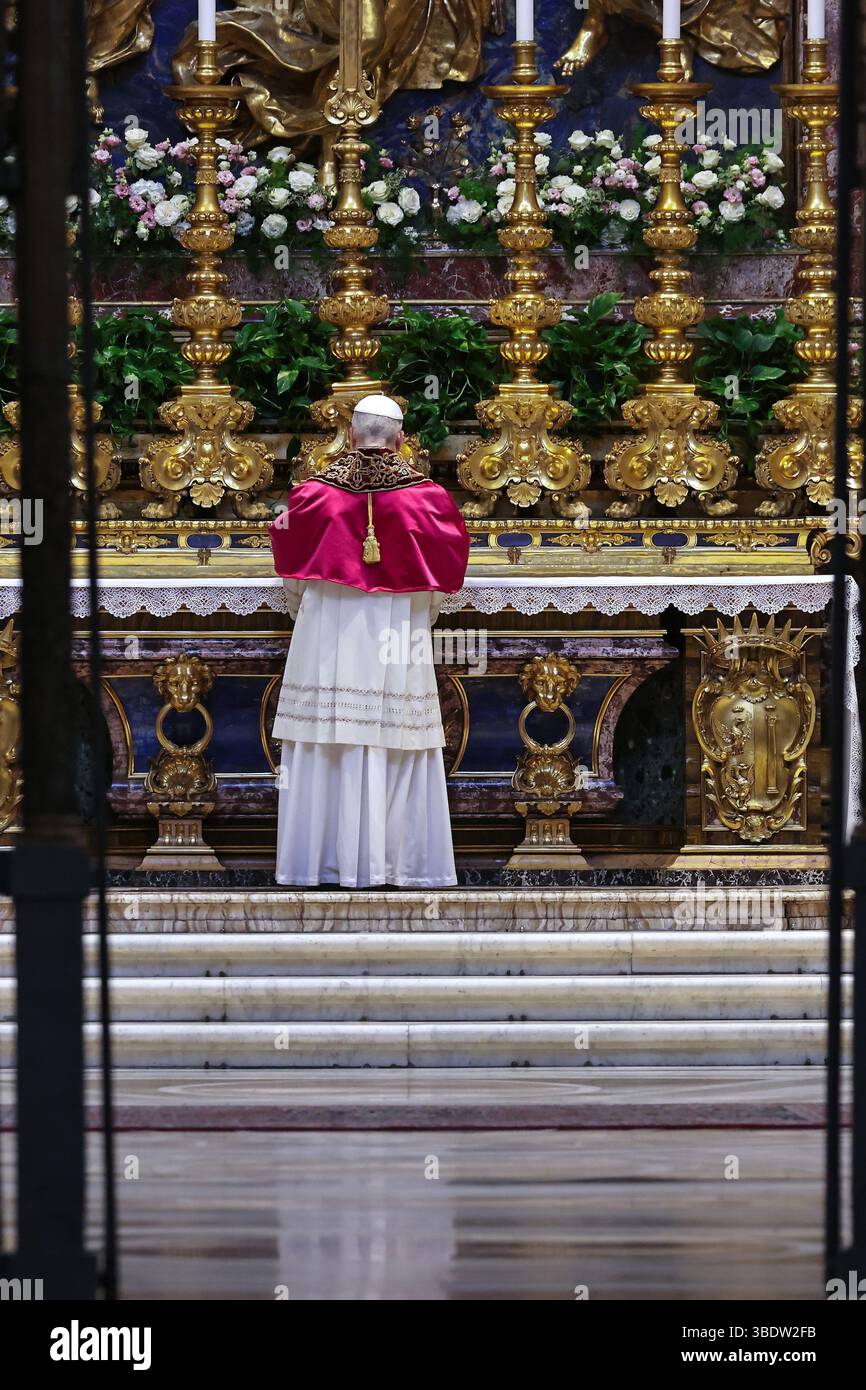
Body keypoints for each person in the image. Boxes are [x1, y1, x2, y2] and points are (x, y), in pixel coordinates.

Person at [269, 395, 470, 888]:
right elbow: (443, 576)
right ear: (400, 438)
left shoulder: (311, 496)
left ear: (351, 435)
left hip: (327, 636)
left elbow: (289, 567)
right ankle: (400, 864)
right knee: (394, 739)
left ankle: (315, 863)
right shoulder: (429, 498)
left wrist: (305, 608)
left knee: (327, 738)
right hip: (399, 637)